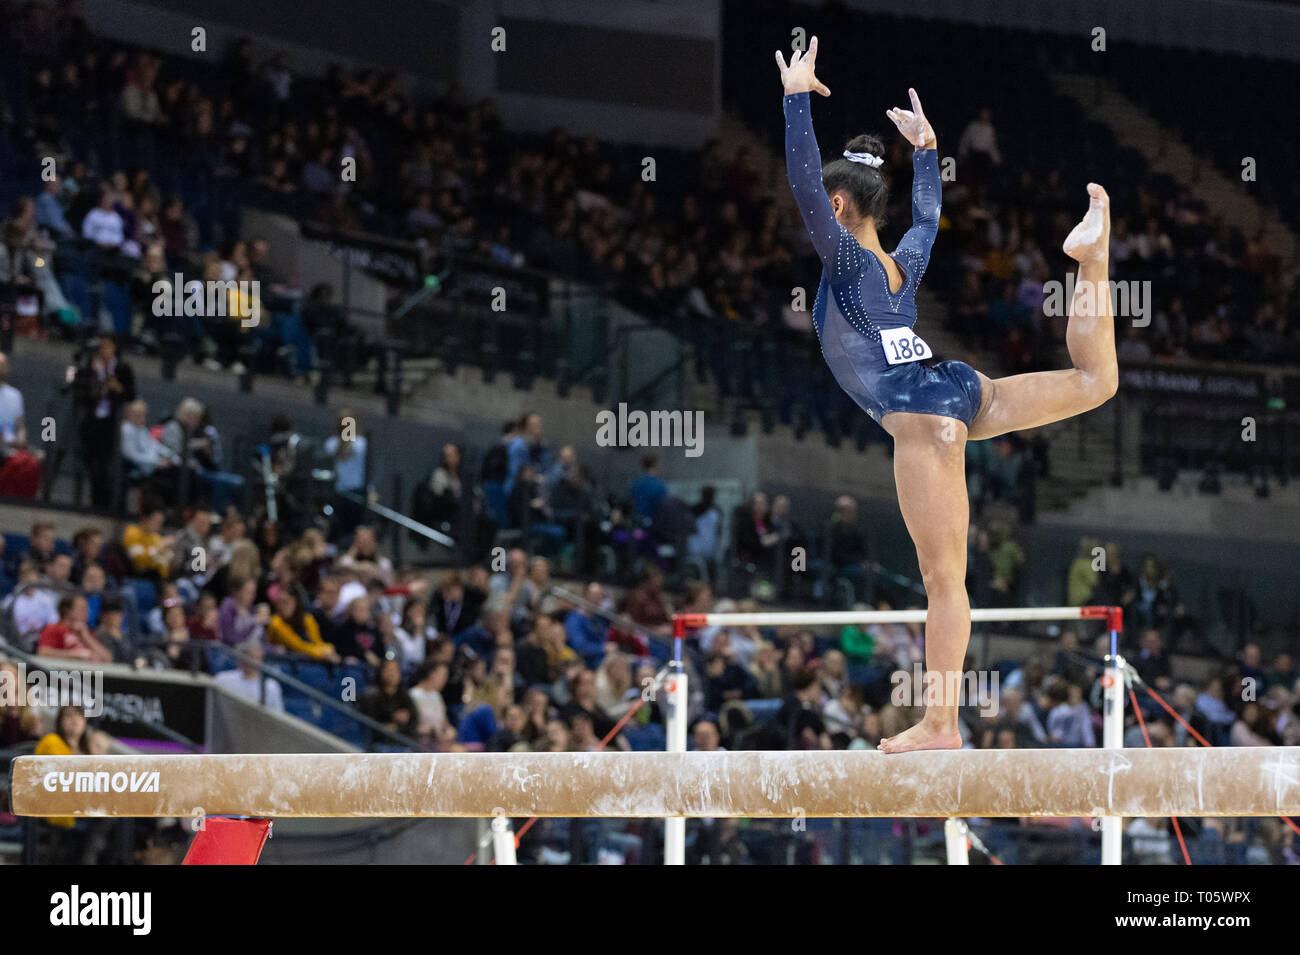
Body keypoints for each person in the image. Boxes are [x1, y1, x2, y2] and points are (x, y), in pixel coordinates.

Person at [776, 38, 1117, 752]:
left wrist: (795, 99)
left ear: (841, 205)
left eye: (823, 206)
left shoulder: (842, 256)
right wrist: (928, 151)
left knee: (943, 580)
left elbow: (804, 183)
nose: (814, 212)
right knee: (1096, 382)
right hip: (955, 387)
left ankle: (939, 723)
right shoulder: (902, 264)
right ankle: (1094, 262)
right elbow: (927, 218)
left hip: (922, 414)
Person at [71, 334, 135, 508]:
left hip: (112, 425)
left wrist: (117, 387)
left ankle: (110, 504)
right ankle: (97, 503)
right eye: (102, 346)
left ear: (115, 348)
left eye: (108, 346)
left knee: (108, 467)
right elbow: (78, 392)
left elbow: (131, 395)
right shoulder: (89, 367)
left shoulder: (123, 369)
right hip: (92, 423)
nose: (104, 350)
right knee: (94, 467)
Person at [213, 639, 284, 711]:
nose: (253, 662)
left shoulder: (271, 686)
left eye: (257, 658)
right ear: (241, 659)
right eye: (250, 657)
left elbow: (278, 714)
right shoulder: (222, 679)